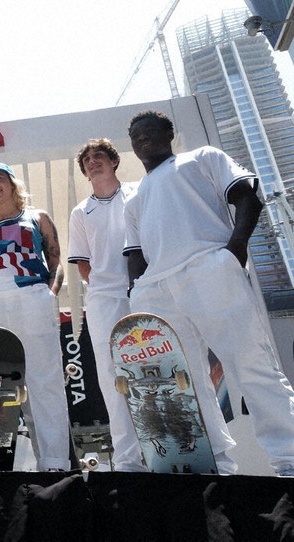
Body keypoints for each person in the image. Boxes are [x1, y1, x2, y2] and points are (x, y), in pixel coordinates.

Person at [124, 109, 294, 476]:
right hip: (157, 289)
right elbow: (134, 253)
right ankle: (211, 464)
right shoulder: (134, 198)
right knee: (177, 383)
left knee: (251, 364)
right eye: (134, 136)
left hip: (209, 269)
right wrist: (137, 292)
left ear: (169, 133)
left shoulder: (202, 157)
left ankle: (290, 460)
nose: (141, 139)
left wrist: (233, 252)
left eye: (148, 131)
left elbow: (247, 198)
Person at [0, 162, 70, 471]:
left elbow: (55, 261)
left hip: (31, 301)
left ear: (12, 184)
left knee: (44, 383)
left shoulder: (38, 218)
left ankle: (54, 462)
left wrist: (51, 293)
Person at [67, 139, 145, 472]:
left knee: (151, 369)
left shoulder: (138, 192)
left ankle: (167, 449)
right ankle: (129, 459)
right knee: (114, 377)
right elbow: (82, 263)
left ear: (114, 161)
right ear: (84, 171)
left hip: (145, 289)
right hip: (103, 300)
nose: (93, 162)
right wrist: (104, 285)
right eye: (86, 160)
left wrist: (137, 282)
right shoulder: (81, 211)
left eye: (99, 156)